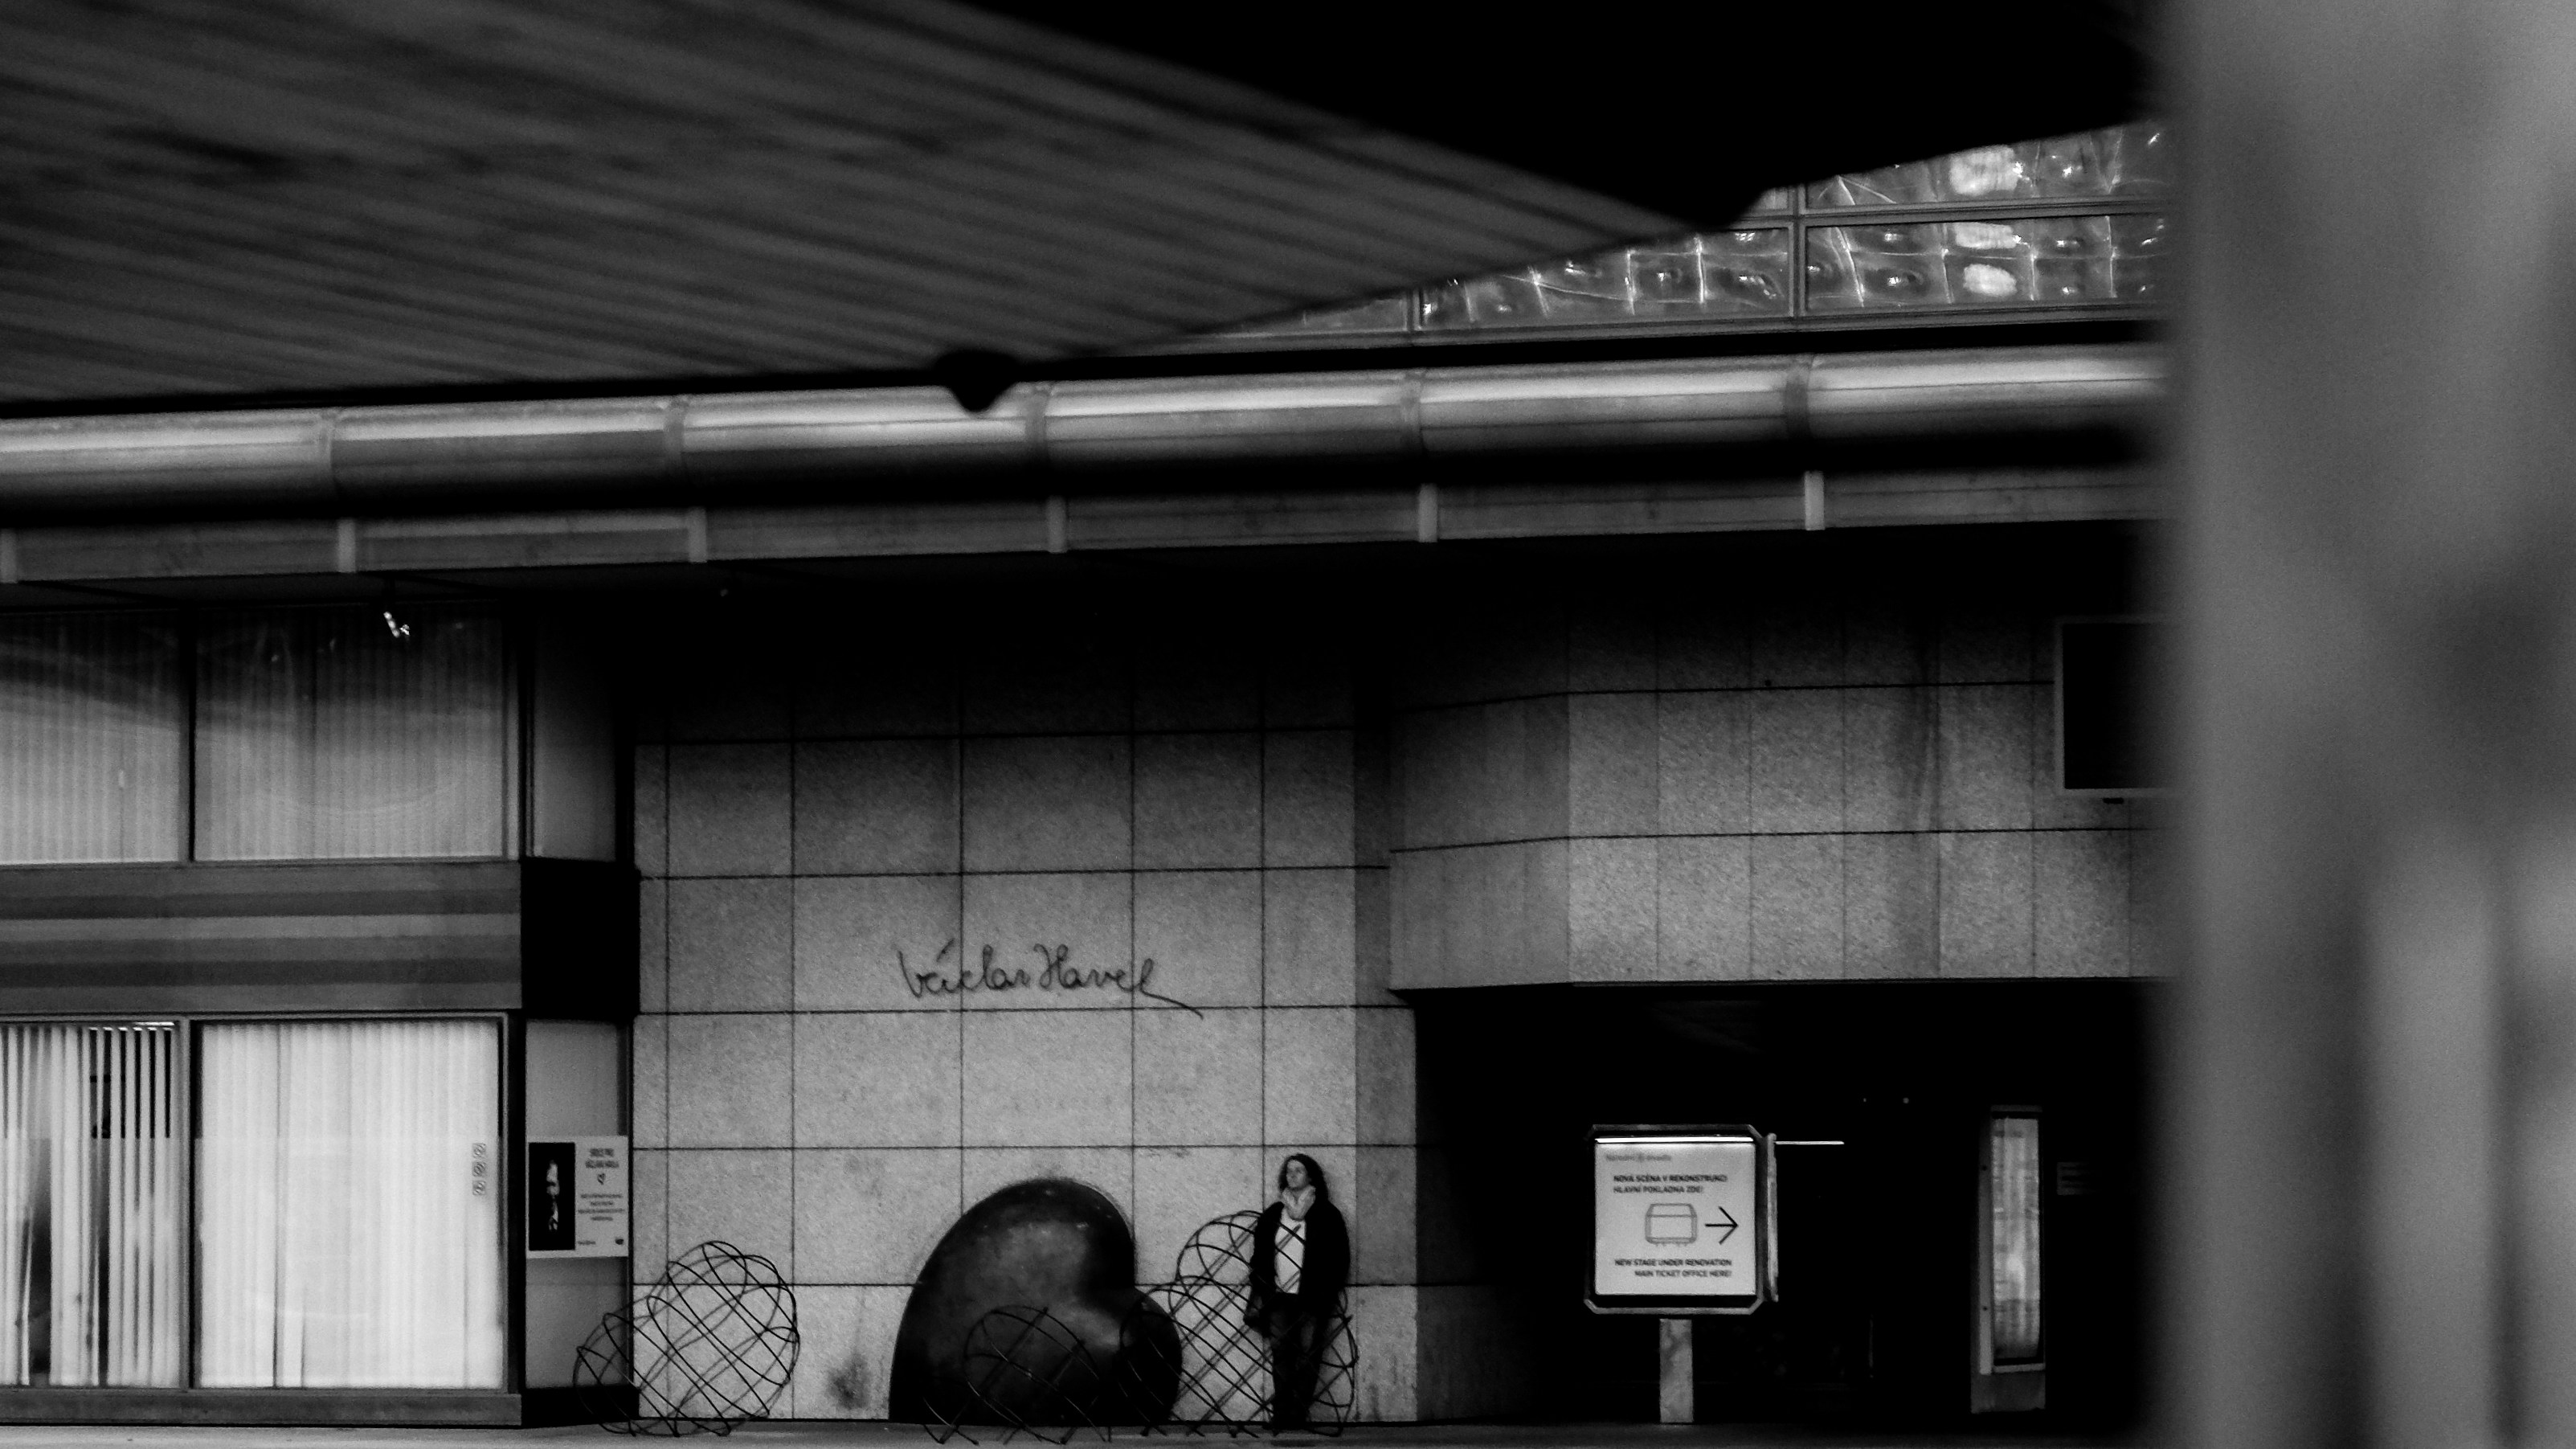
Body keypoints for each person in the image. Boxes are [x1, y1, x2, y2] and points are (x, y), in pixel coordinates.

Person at [1245, 1153, 1349, 1431]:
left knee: (1307, 1354)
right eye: (1288, 1171)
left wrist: (1326, 1288)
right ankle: (1281, 1414)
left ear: (1311, 1177)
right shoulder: (1273, 1214)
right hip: (1279, 1296)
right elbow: (1260, 1254)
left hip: (1312, 1298)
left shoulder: (1327, 1215)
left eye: (1298, 1171)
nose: (1291, 1176)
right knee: (1281, 1354)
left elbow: (1340, 1258)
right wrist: (1263, 1281)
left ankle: (1297, 1413)